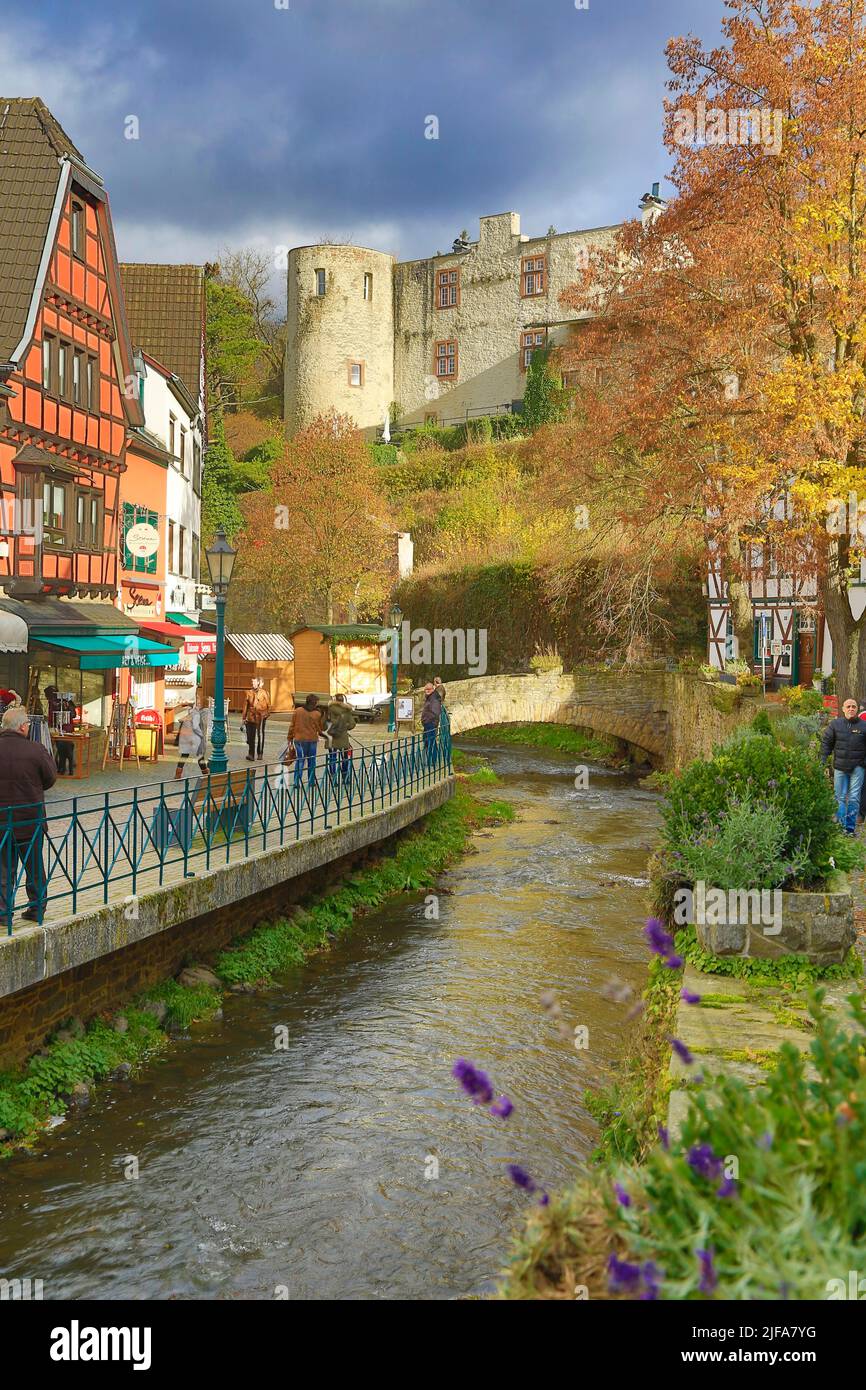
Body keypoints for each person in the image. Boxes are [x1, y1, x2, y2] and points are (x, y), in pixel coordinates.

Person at [0, 705, 56, 923]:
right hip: (31, 820)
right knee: (34, 867)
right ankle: (36, 909)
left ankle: (3, 912)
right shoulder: (36, 750)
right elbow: (50, 778)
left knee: (3, 867)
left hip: (2, 820)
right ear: (23, 727)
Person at [820, 697, 866, 835]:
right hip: (840, 767)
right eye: (848, 707)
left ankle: (849, 829)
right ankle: (840, 827)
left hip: (858, 767)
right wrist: (822, 760)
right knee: (839, 797)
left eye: (853, 706)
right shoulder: (835, 724)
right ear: (843, 709)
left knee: (854, 798)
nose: (851, 709)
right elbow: (826, 743)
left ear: (857, 709)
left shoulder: (864, 726)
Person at [289, 693, 323, 786]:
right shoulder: (317, 713)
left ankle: (296, 782)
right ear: (315, 703)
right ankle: (311, 781)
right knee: (311, 761)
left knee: (300, 760)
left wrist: (289, 738)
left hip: (299, 740)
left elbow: (292, 725)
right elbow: (320, 728)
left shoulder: (297, 711)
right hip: (312, 740)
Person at [324, 695, 357, 789]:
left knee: (332, 758)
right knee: (345, 758)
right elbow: (352, 724)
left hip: (331, 739)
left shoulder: (328, 710)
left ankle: (333, 779)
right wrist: (344, 728)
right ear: (343, 700)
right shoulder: (346, 711)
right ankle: (345, 777)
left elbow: (323, 724)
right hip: (343, 738)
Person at [175, 699, 210, 779]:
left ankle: (178, 773)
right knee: (199, 754)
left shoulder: (192, 712)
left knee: (185, 754)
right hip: (193, 736)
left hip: (186, 736)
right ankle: (205, 772)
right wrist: (201, 735)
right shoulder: (197, 714)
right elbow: (195, 727)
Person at [242, 677, 271, 761]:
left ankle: (260, 753)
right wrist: (244, 718)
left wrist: (266, 714)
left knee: (260, 734)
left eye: (255, 682)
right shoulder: (249, 693)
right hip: (251, 716)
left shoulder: (264, 693)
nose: (253, 684)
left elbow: (269, 705)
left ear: (258, 683)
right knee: (250, 736)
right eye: (252, 682)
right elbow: (245, 706)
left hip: (261, 716)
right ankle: (251, 754)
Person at [421, 682, 440, 764]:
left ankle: (431, 761)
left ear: (433, 689)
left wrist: (426, 720)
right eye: (426, 689)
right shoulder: (430, 697)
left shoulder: (434, 699)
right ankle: (432, 760)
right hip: (428, 724)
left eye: (429, 689)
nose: (427, 691)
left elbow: (435, 712)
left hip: (431, 724)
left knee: (430, 741)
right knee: (428, 741)